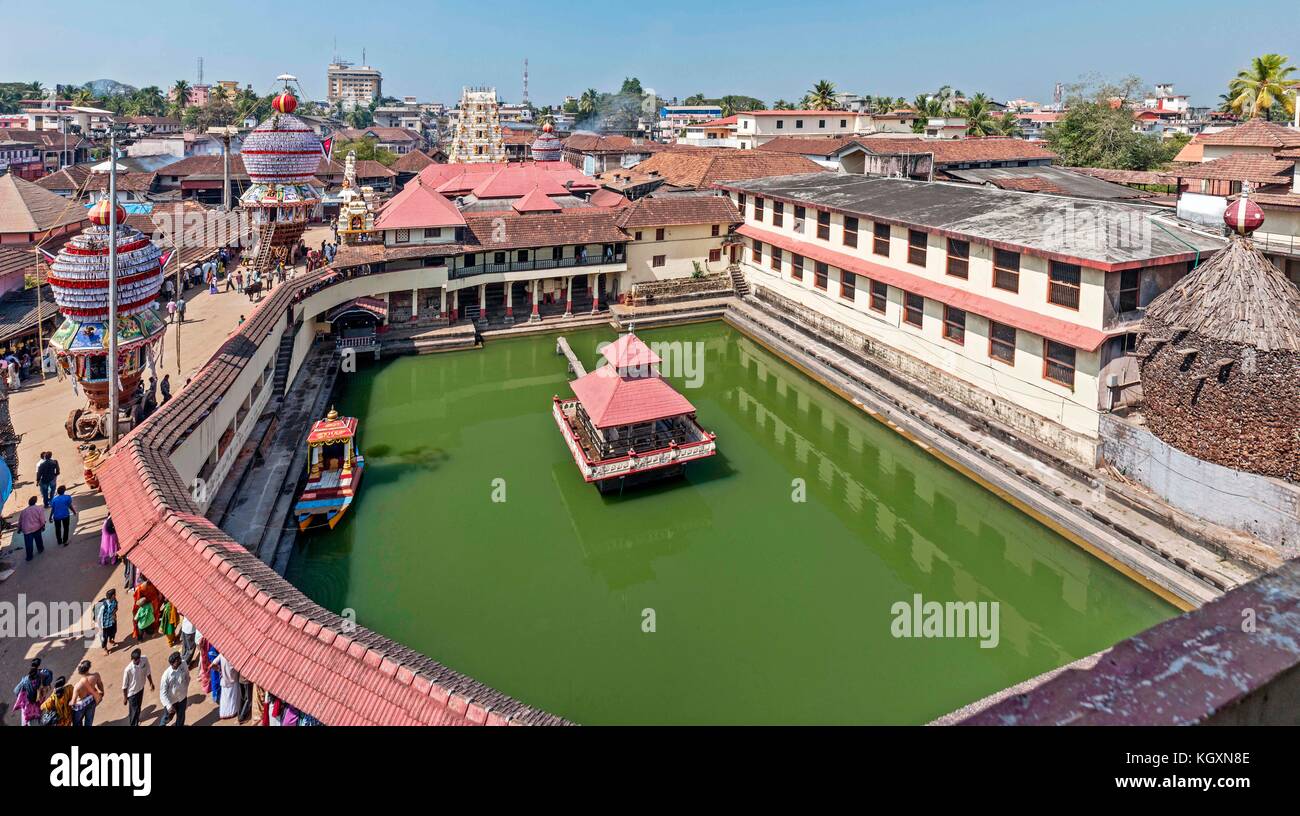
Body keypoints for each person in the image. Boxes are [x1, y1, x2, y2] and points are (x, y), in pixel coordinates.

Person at [121, 648, 154, 726]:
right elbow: (124, 686)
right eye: (134, 660)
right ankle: (133, 724)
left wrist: (151, 683)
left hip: (141, 688)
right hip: (132, 693)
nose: (135, 661)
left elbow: (148, 671)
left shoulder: (144, 659)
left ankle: (137, 719)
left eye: (137, 659)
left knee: (138, 707)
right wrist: (125, 698)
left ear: (139, 658)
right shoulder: (128, 670)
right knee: (134, 710)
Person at [158, 651, 189, 726]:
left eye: (179, 659)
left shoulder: (183, 663)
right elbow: (163, 693)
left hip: (182, 697)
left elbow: (187, 675)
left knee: (181, 716)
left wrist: (185, 687)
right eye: (178, 660)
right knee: (167, 718)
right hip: (172, 701)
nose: (180, 661)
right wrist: (168, 705)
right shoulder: (166, 676)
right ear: (173, 663)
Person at [71, 660, 104, 727]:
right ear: (89, 668)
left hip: (81, 706)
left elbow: (73, 702)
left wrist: (69, 703)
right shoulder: (96, 676)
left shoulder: (78, 686)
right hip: (91, 701)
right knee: (89, 720)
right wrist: (102, 692)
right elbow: (100, 685)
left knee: (77, 723)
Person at [18, 495, 46, 561]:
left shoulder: (24, 511)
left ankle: (29, 557)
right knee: (38, 540)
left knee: (28, 544)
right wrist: (43, 526)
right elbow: (42, 519)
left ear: (29, 503)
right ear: (35, 502)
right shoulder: (39, 508)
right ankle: (40, 549)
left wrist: (19, 529)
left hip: (26, 529)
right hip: (36, 528)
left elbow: (20, 521)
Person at [93, 588, 118, 653]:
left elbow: (116, 608)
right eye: (114, 594)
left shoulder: (114, 601)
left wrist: (114, 614)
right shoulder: (103, 606)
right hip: (105, 625)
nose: (115, 595)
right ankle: (105, 648)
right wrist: (101, 628)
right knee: (104, 638)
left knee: (113, 632)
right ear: (112, 596)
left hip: (112, 621)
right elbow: (98, 618)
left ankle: (111, 640)